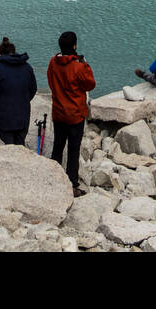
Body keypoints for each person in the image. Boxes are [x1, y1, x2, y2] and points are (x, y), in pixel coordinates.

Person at [47, 30, 96, 197]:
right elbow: (90, 84)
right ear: (74, 46)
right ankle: (72, 184)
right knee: (73, 150)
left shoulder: (53, 63)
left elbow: (51, 82)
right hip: (75, 114)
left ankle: (53, 178)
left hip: (59, 112)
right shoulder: (79, 66)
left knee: (58, 146)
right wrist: (86, 64)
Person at [0, 37, 37, 146]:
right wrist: (24, 100)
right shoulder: (27, 68)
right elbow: (33, 89)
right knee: (20, 146)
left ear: (1, 53)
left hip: (4, 119)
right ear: (14, 52)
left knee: (9, 149)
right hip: (23, 116)